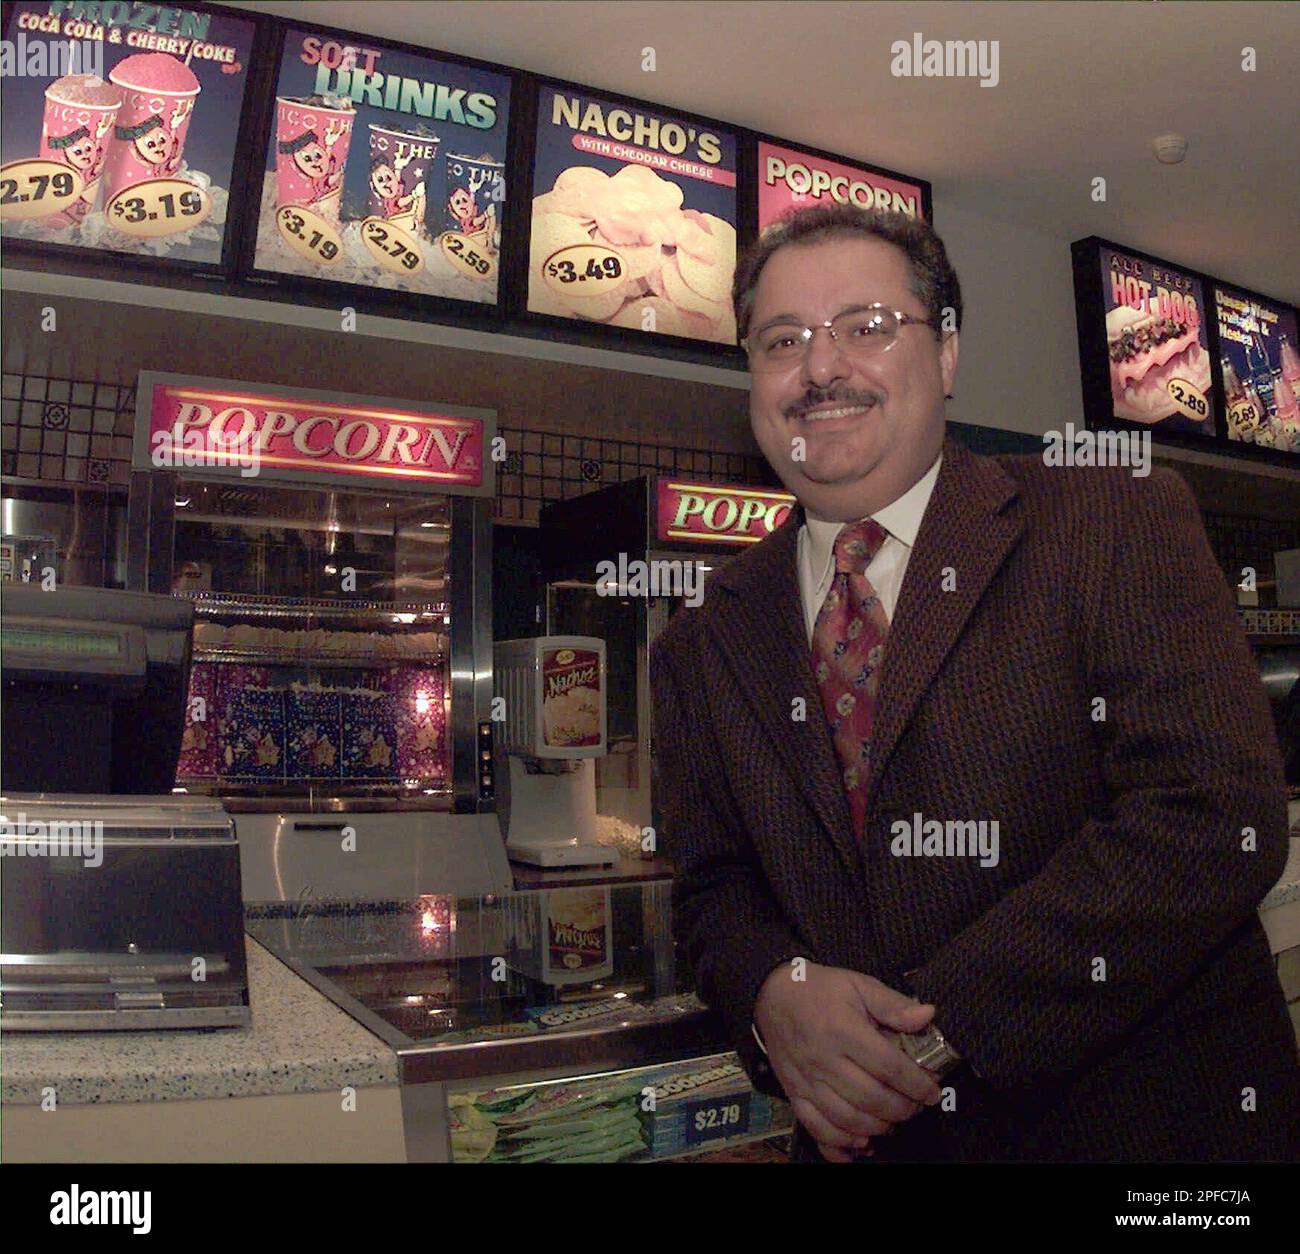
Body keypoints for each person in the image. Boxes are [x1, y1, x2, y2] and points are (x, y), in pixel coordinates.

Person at [650, 204, 1300, 1163]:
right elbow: (710, 888)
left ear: (946, 355)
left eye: (867, 327)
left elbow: (1212, 817)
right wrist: (771, 994)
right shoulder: (704, 631)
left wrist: (927, 1032)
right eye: (782, 340)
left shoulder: (1114, 519)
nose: (821, 368)